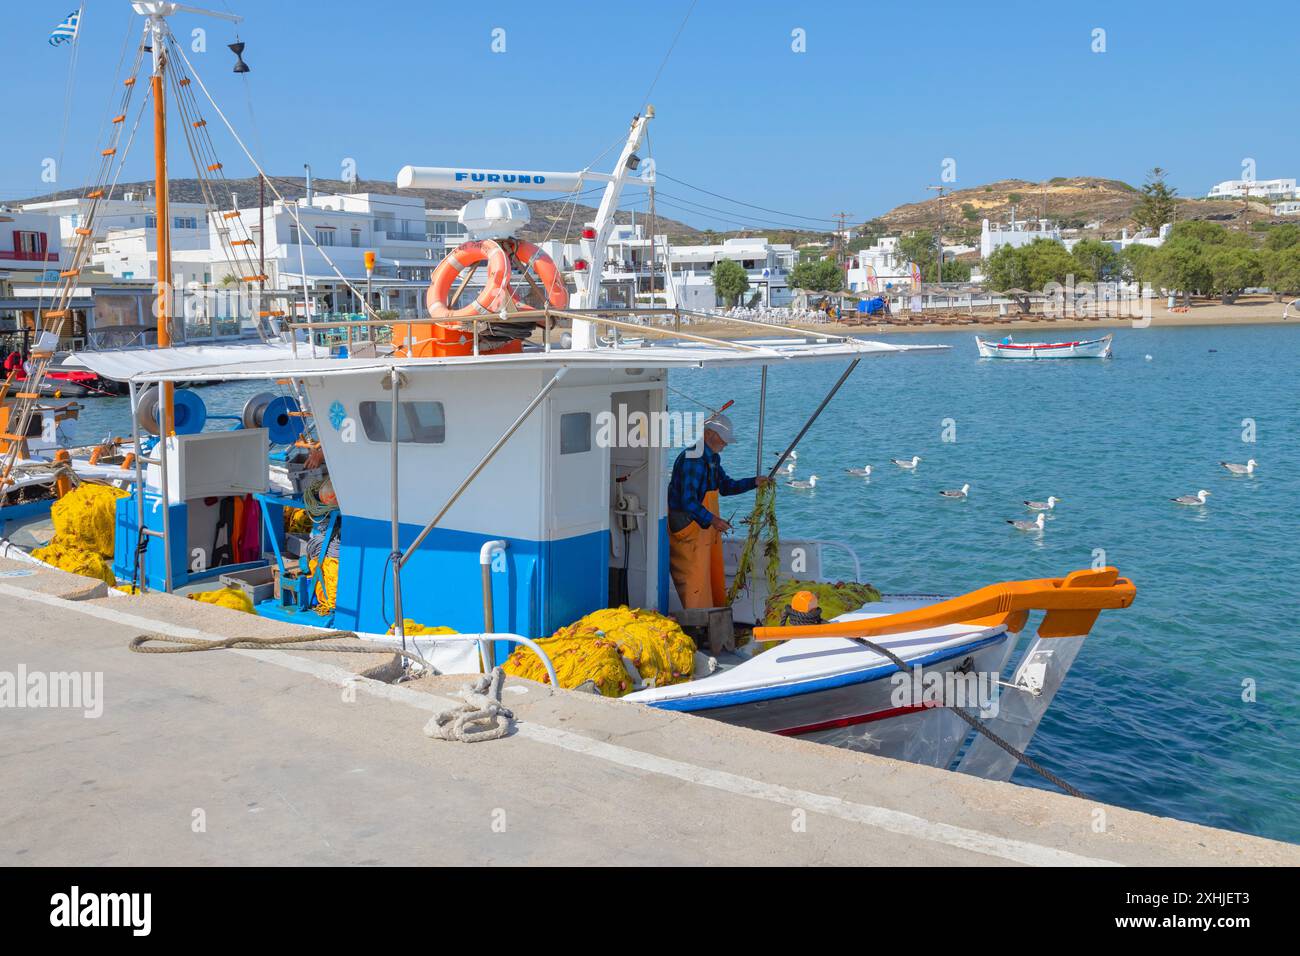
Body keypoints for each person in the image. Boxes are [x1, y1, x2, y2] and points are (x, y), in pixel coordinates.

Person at [667, 413, 773, 609]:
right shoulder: (693, 459)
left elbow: (725, 486)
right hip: (687, 526)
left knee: (708, 575)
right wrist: (714, 520)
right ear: (709, 434)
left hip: (703, 525)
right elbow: (688, 501)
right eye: (724, 439)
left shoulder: (712, 458)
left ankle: (709, 618)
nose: (726, 444)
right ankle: (696, 627)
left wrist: (754, 482)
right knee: (693, 579)